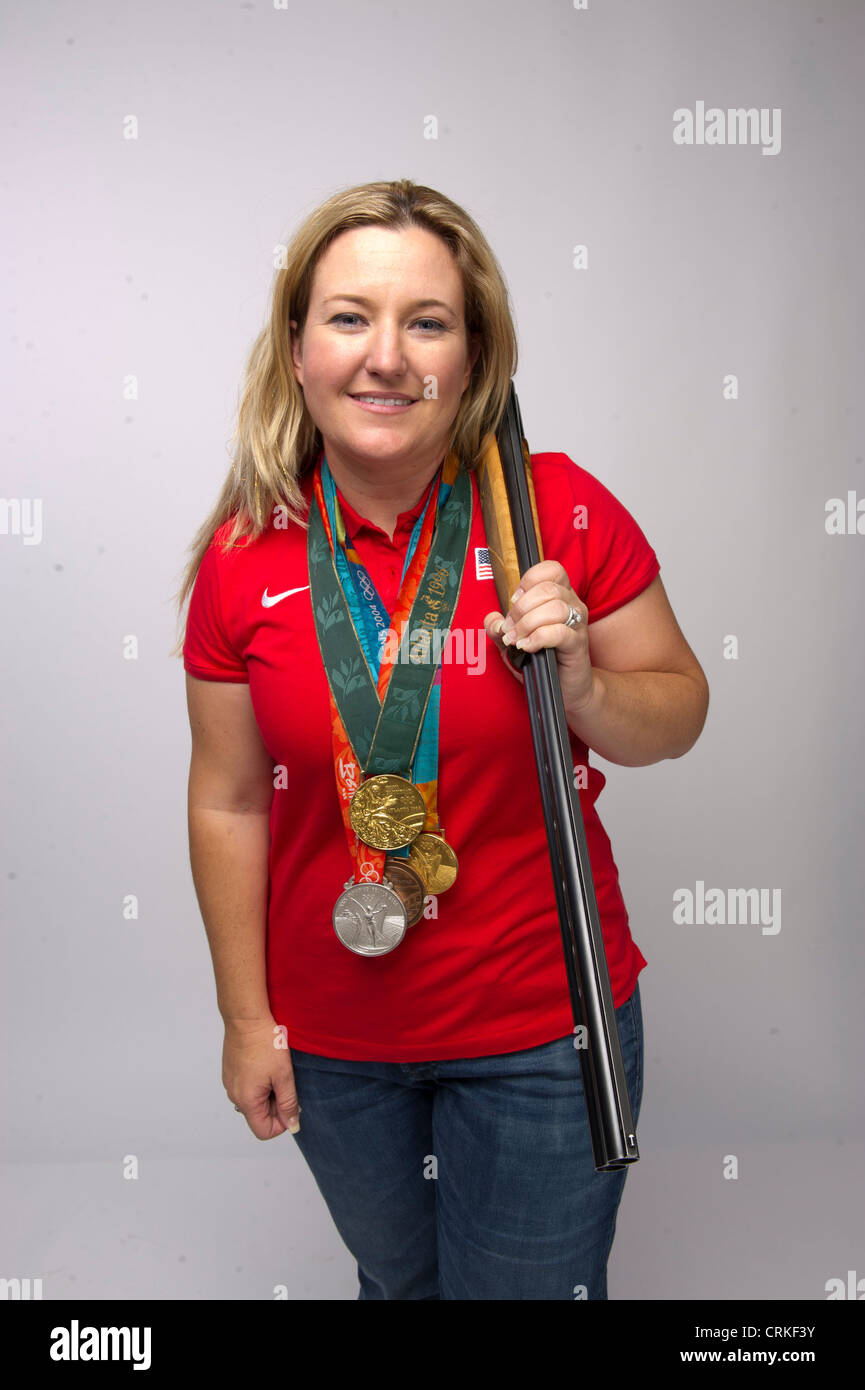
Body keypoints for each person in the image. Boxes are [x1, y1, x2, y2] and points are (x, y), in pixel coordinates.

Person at [175, 178, 709, 1301]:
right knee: (400, 1286)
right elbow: (229, 798)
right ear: (297, 347)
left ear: (470, 357)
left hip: (541, 1028)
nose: (384, 355)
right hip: (334, 1035)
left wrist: (582, 687)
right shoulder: (242, 556)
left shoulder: (552, 511)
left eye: (426, 321)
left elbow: (679, 709)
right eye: (348, 316)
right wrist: (244, 1018)